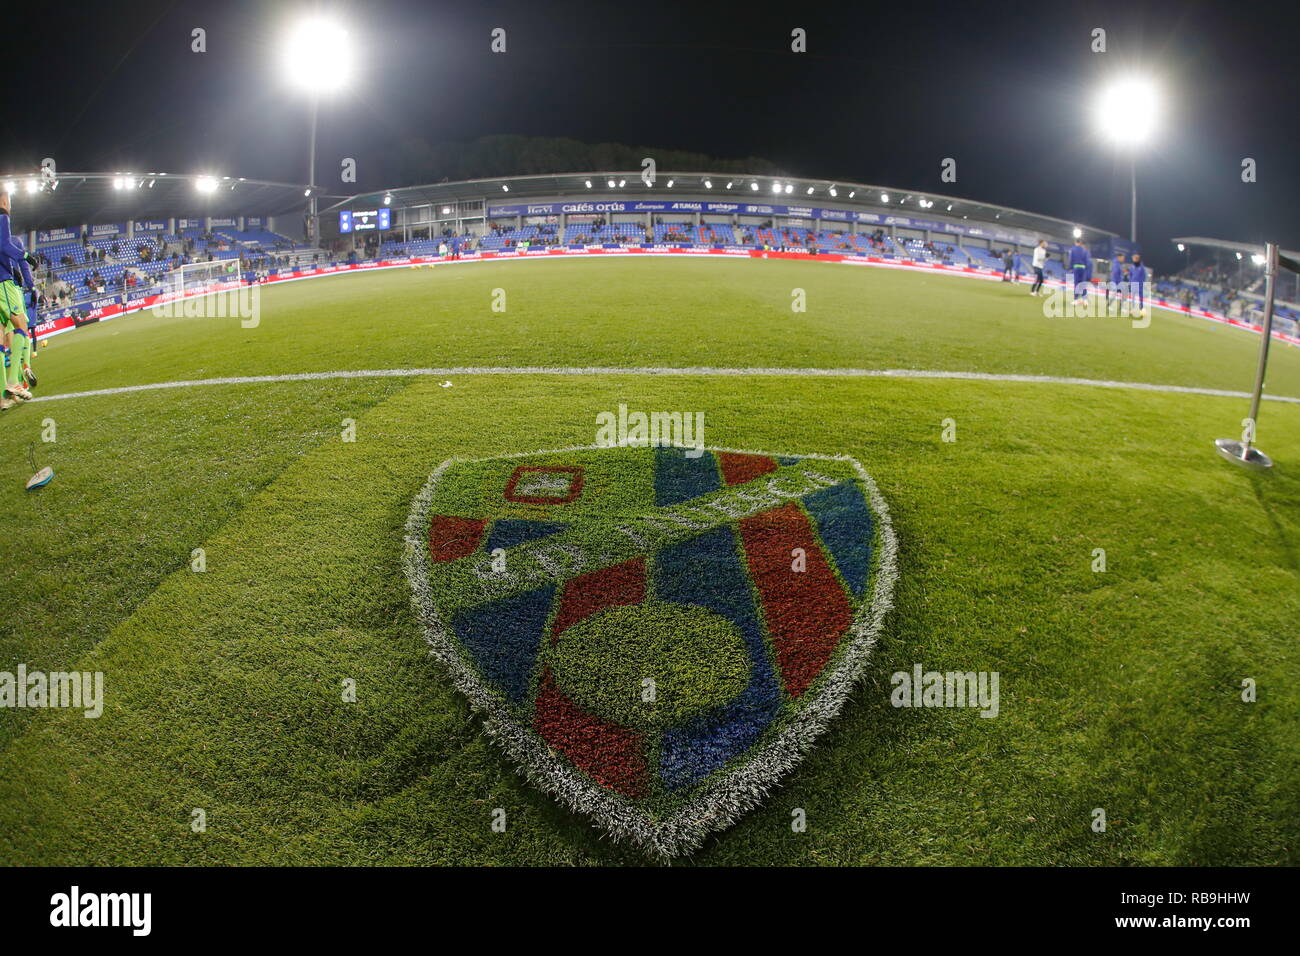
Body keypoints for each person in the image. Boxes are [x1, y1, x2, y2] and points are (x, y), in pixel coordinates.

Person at [0, 191, 37, 408]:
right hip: (3, 282)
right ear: (4, 200)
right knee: (21, 326)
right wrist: (25, 257)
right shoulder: (2, 216)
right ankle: (15, 381)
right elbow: (4, 246)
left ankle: (3, 397)